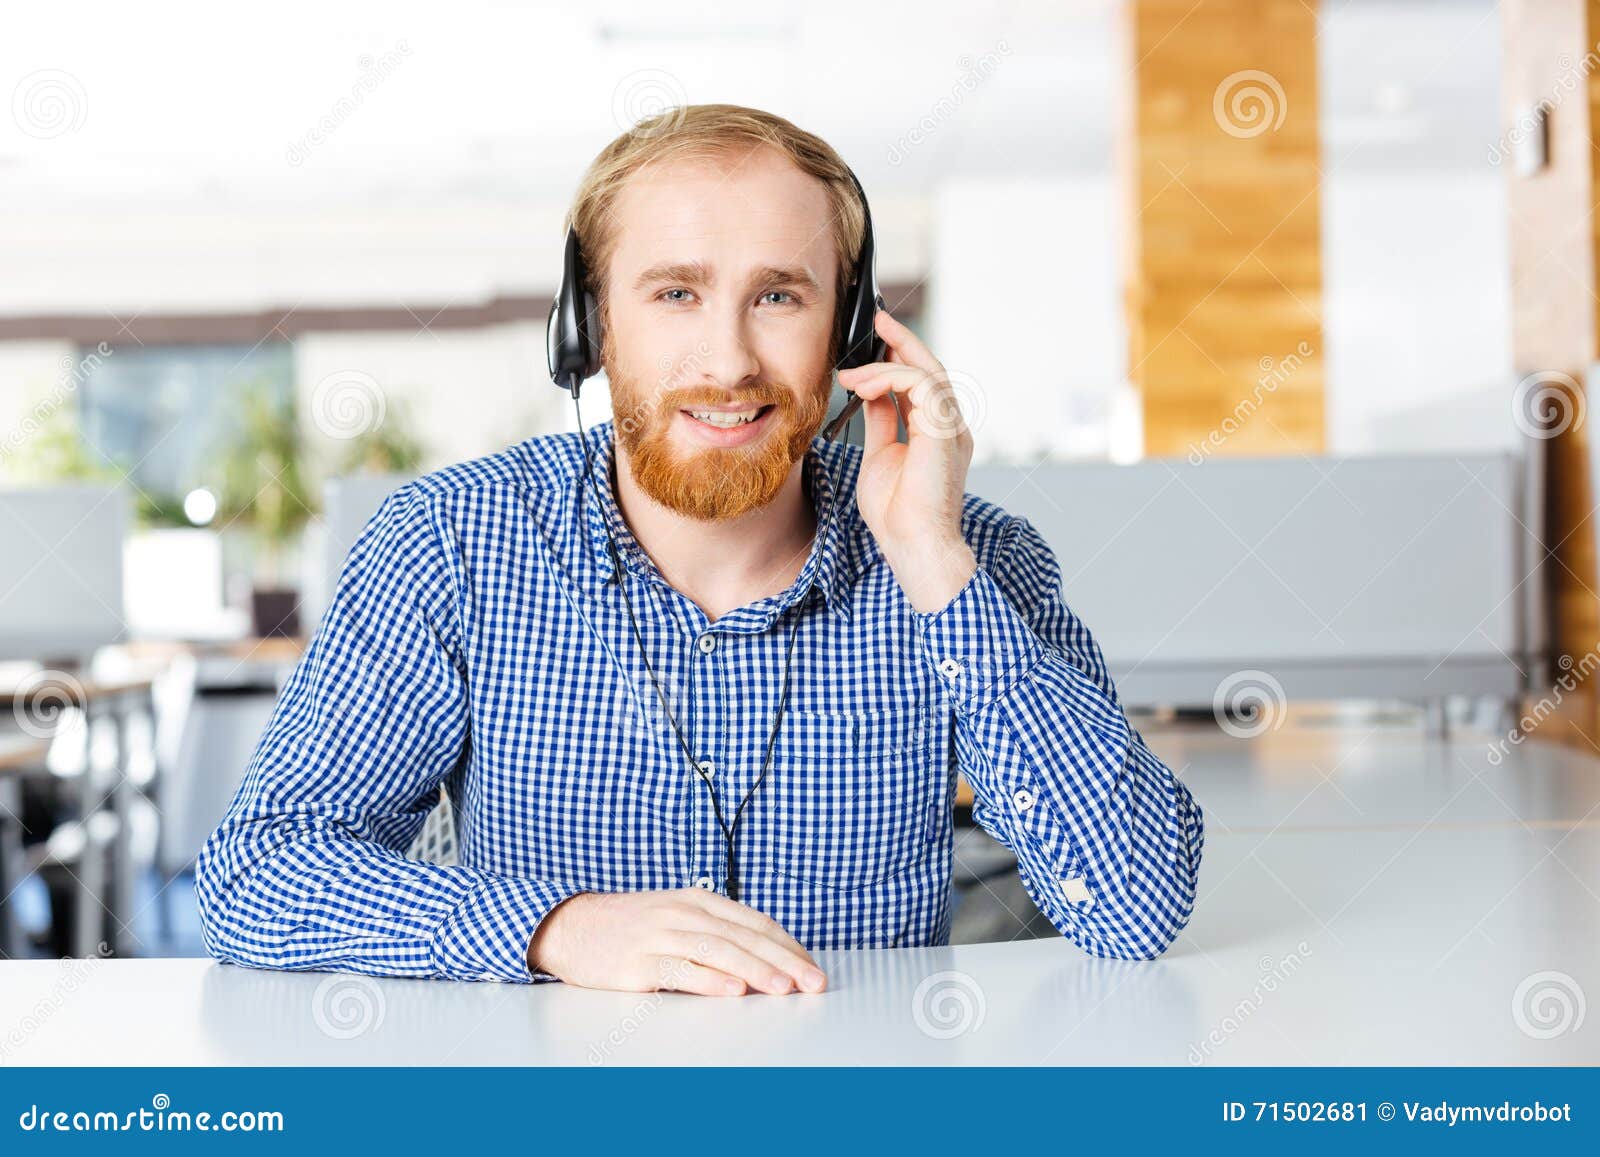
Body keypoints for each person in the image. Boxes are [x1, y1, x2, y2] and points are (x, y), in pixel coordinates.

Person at [195, 104, 1203, 996]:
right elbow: (258, 871)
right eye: (675, 293)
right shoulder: (454, 543)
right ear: (589, 327)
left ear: (851, 331)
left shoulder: (965, 556)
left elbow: (1133, 907)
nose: (726, 361)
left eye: (779, 297)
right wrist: (554, 927)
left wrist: (933, 560)